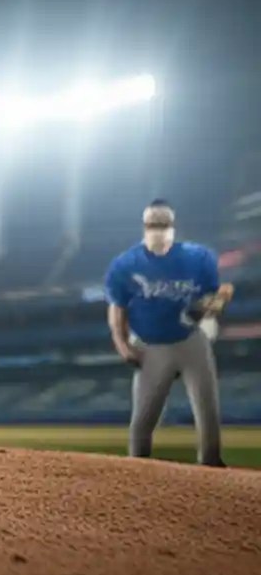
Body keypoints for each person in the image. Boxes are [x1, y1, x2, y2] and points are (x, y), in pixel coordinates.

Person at [104, 199, 234, 467]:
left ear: (173, 227)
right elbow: (117, 308)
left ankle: (211, 465)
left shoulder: (199, 258)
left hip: (190, 340)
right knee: (143, 418)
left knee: (207, 408)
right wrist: (122, 343)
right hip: (150, 345)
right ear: (144, 226)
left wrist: (217, 303)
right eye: (153, 224)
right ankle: (137, 468)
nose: (158, 229)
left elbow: (212, 298)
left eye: (163, 224)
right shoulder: (125, 265)